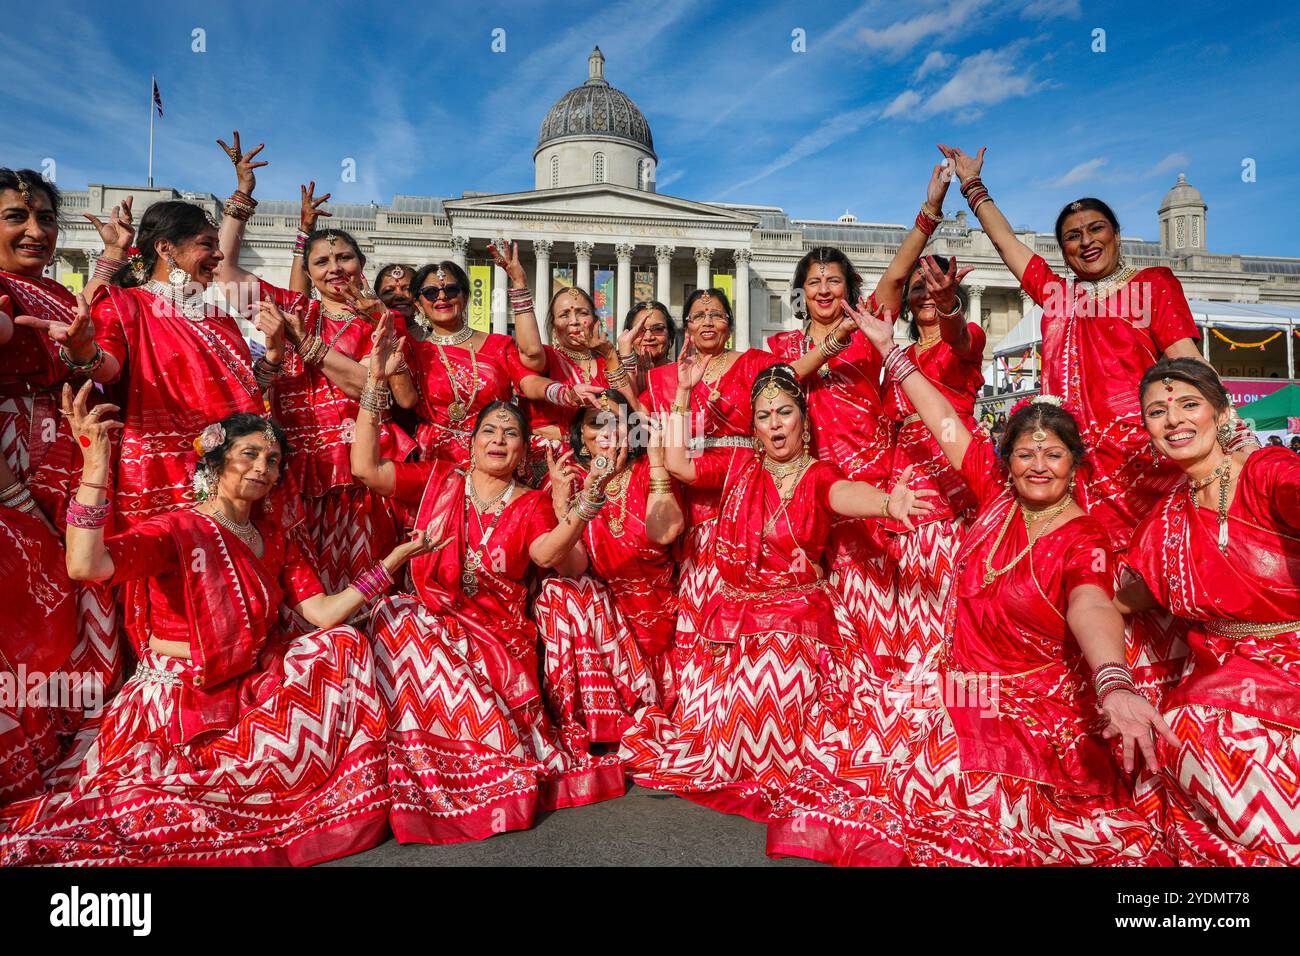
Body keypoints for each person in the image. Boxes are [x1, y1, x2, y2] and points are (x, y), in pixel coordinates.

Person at [769, 303, 1175, 866]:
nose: (1039, 465)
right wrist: (891, 351)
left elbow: (1092, 604)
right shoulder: (997, 495)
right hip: (964, 680)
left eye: (1054, 455)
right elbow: (944, 422)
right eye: (1026, 453)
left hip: (1030, 700)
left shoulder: (1084, 537)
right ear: (1005, 461)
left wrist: (1113, 682)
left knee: (947, 789)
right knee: (864, 734)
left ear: (1074, 464)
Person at [0, 392, 435, 866]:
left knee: (343, 643)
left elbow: (325, 613)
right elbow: (86, 565)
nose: (262, 467)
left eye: (272, 459)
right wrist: (96, 464)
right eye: (249, 454)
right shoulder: (176, 530)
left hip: (244, 686)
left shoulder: (272, 537)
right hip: (177, 703)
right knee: (155, 812)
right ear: (215, 459)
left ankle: (285, 780)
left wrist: (391, 564)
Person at [937, 142, 1217, 699]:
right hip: (1078, 472)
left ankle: (1169, 700)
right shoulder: (1058, 298)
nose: (1086, 241)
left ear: (1116, 233)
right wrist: (973, 188)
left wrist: (1217, 434)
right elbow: (1010, 245)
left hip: (1142, 471)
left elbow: (1187, 364)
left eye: (1096, 229)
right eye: (1072, 235)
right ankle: (1094, 697)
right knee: (1085, 583)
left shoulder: (1152, 286)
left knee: (1152, 582)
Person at [621, 363, 931, 821]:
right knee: (729, 718)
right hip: (733, 617)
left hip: (798, 617)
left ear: (803, 421)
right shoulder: (740, 464)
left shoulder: (819, 474)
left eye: (784, 413)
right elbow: (681, 464)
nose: (775, 425)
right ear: (753, 427)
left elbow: (845, 493)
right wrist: (683, 394)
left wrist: (887, 503)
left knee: (771, 679)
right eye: (764, 417)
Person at [350, 333, 624, 844]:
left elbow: (547, 556)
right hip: (434, 624)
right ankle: (422, 765)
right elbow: (365, 469)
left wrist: (585, 501)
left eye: (511, 433)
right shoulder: (439, 479)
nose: (498, 439)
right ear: (472, 441)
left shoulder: (531, 502)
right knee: (402, 618)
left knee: (414, 631)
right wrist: (374, 383)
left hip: (497, 638)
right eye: (489, 431)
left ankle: (461, 764)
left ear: (524, 451)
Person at [214, 134, 414, 598]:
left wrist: (306, 345)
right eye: (321, 261)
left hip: (359, 467)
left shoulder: (382, 321)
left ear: (363, 264)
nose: (334, 268)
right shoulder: (295, 308)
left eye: (344, 257)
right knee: (305, 581)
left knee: (366, 578)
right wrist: (242, 195)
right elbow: (223, 272)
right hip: (298, 466)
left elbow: (373, 387)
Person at [1119, 358, 1300, 866]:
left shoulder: (1268, 471)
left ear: (1222, 415)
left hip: (1288, 653)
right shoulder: (1165, 518)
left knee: (1198, 719)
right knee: (1173, 717)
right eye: (1157, 412)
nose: (1174, 420)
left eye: (1189, 405)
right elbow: (1122, 600)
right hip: (1222, 664)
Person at [0, 169, 126, 791]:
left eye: (46, 219)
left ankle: (77, 736)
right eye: (16, 217)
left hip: (71, 450)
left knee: (83, 583)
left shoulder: (52, 290)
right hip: (13, 460)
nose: (35, 231)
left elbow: (97, 362)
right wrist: (11, 494)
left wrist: (80, 347)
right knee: (27, 603)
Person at [533, 389, 684, 740]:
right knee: (561, 591)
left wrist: (658, 461)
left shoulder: (649, 470)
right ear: (581, 436)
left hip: (660, 616)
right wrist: (561, 506)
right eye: (595, 422)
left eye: (616, 422)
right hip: (604, 622)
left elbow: (665, 533)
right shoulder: (566, 481)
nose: (605, 430)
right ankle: (591, 723)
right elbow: (572, 567)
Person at [640, 288, 779, 662]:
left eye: (715, 315)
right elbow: (642, 423)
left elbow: (783, 406)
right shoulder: (669, 377)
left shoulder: (755, 363)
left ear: (729, 325)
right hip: (693, 483)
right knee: (702, 576)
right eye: (698, 316)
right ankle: (704, 671)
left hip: (748, 479)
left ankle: (749, 663)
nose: (707, 322)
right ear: (686, 327)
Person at [881, 253, 985, 676]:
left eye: (937, 285)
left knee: (956, 594)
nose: (927, 293)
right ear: (907, 302)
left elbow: (959, 335)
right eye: (919, 287)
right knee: (914, 598)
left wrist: (949, 310)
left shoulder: (964, 340)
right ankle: (917, 694)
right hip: (907, 485)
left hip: (957, 480)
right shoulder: (896, 356)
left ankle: (956, 694)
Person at [403, 261, 517, 466]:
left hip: (495, 455)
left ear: (465, 297)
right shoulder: (414, 353)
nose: (441, 296)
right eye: (430, 292)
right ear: (419, 305)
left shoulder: (500, 345)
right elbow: (405, 401)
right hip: (436, 462)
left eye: (451, 290)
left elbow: (529, 385)